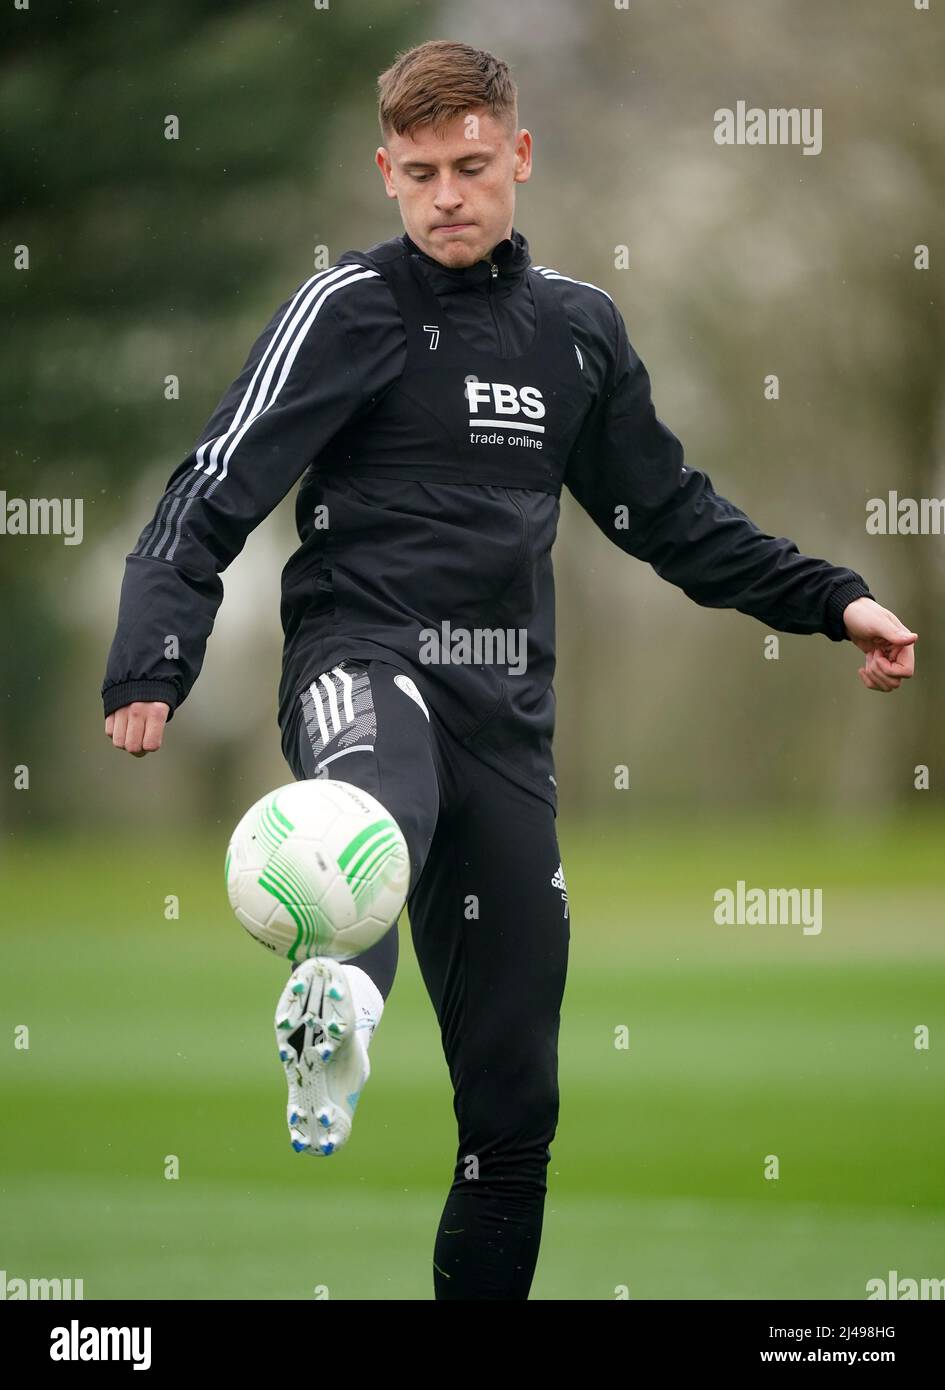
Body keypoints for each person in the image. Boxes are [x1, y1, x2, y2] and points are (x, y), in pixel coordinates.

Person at [102, 39, 917, 1300]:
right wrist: (154, 653)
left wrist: (833, 598)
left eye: (472, 167)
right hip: (361, 654)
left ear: (520, 159)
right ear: (385, 173)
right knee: (371, 805)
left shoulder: (577, 332)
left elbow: (674, 518)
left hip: (509, 720)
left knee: (515, 1110)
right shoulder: (344, 313)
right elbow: (215, 487)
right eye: (419, 172)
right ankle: (341, 1007)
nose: (447, 195)